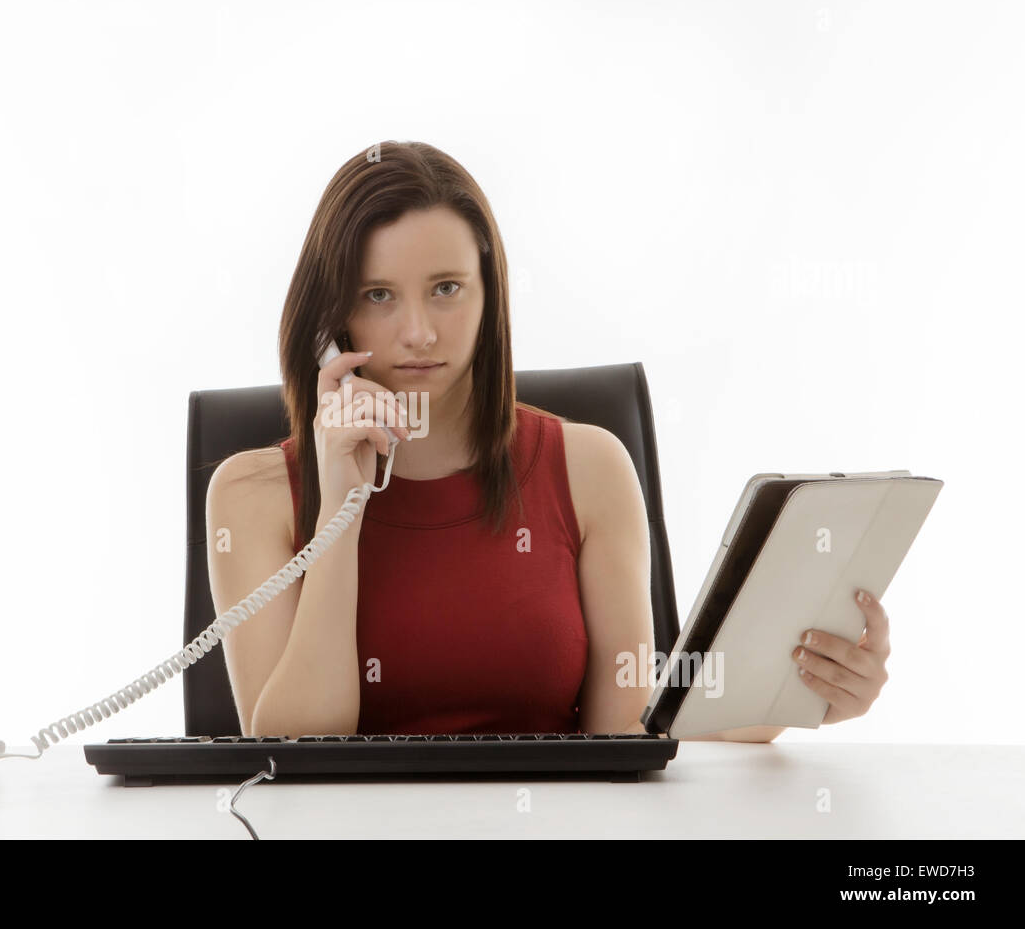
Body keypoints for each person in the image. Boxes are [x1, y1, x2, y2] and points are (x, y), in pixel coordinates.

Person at [205, 140, 891, 741]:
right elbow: (293, 752)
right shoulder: (251, 494)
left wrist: (801, 696)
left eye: (446, 289)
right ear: (331, 315)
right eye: (378, 295)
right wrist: (340, 510)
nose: (418, 332)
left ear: (490, 296)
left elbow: (625, 728)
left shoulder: (590, 467)